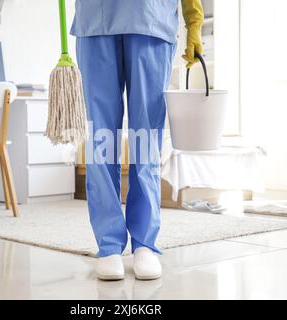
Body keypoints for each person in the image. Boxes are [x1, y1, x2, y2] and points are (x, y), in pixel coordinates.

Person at [71, 0, 204, 280]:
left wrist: (194, 21)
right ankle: (108, 245)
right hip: (97, 19)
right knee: (102, 139)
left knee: (145, 138)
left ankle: (144, 243)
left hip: (150, 18)